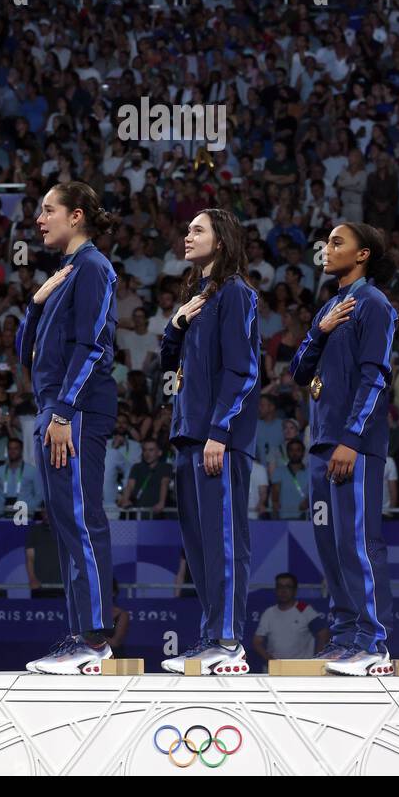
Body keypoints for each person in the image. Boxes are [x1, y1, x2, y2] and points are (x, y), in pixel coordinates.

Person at [16, 182, 119, 673]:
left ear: (76, 216)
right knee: (65, 526)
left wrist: (62, 412)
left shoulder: (94, 267)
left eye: (48, 210)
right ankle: (81, 635)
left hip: (72, 411)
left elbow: (93, 345)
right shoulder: (64, 273)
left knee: (81, 519)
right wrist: (35, 304)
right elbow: (25, 354)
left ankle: (95, 642)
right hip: (54, 409)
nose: (39, 220)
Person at [289, 222, 397, 676]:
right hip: (321, 444)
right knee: (331, 547)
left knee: (358, 543)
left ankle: (372, 641)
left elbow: (376, 377)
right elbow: (298, 372)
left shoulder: (374, 304)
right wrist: (318, 331)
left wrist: (351, 439)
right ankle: (345, 635)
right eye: (326, 242)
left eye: (337, 243)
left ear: (363, 254)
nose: (327, 249)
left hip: (353, 446)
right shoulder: (329, 307)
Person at [159, 207, 260, 676]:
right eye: (187, 228)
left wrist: (220, 430)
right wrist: (175, 324)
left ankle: (228, 641)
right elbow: (168, 362)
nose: (187, 235)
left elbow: (242, 371)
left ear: (220, 241)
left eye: (197, 230)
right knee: (199, 545)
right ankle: (210, 635)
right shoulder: (197, 296)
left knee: (224, 541)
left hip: (217, 438)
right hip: (188, 434)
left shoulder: (236, 293)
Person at [252, 572, 329, 666]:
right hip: (276, 670)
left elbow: (323, 634)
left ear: (295, 590)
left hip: (300, 669)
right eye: (280, 587)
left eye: (288, 587)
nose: (283, 591)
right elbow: (257, 641)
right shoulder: (269, 612)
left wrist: (317, 661)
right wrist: (270, 661)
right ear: (275, 590)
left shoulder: (304, 609)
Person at [117, 437, 173, 517]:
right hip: (138, 513)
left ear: (159, 452)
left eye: (151, 450)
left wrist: (161, 502)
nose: (147, 453)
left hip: (157, 513)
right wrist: (125, 499)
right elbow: (130, 486)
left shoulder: (166, 467)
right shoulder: (136, 467)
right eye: (145, 450)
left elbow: (164, 483)